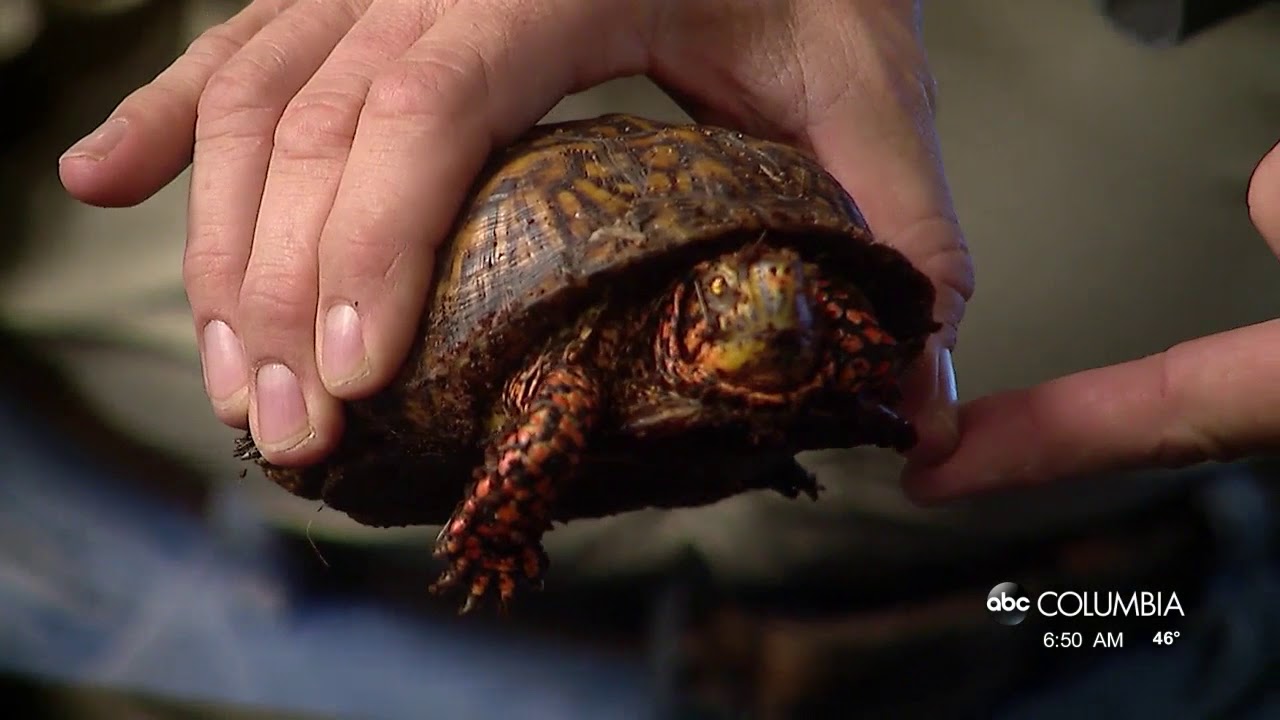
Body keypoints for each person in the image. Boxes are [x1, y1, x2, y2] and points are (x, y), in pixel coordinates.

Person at [57, 0, 1277, 501]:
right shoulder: (590, 355)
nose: (777, 307)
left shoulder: (808, 312)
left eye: (784, 296)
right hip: (221, 617)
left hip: (1109, 620)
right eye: (749, 296)